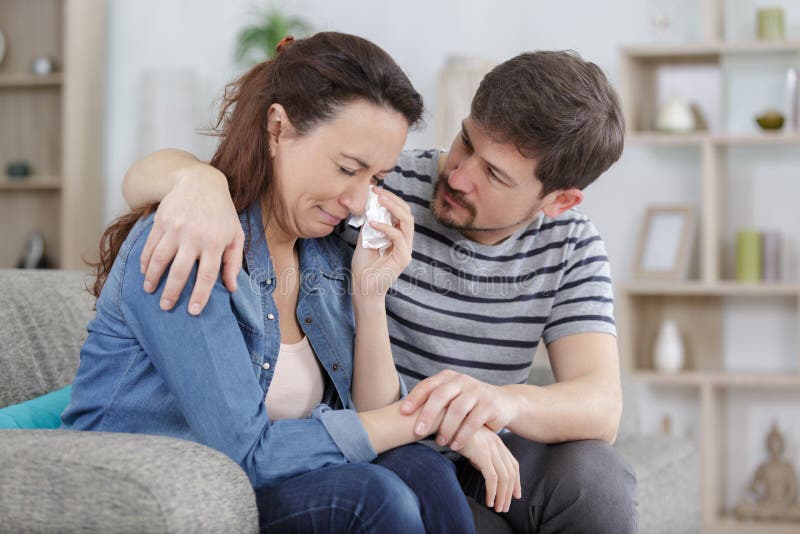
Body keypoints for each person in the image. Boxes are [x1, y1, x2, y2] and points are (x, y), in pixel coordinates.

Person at [123, 48, 638, 533]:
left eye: (494, 175)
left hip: (477, 448)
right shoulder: (374, 190)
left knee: (596, 482)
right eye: (466, 142)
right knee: (410, 491)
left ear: (560, 201)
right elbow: (176, 182)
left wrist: (496, 405)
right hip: (390, 445)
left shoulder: (569, 246)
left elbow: (600, 407)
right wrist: (198, 182)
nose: (458, 175)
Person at [61, 32, 522, 534]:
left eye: (375, 178)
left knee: (422, 467)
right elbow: (248, 455)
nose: (355, 199)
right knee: (372, 495)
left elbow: (367, 414)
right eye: (348, 168)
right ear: (279, 128)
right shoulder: (191, 243)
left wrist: (370, 297)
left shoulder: (320, 253)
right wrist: (429, 418)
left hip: (254, 491)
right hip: (156, 497)